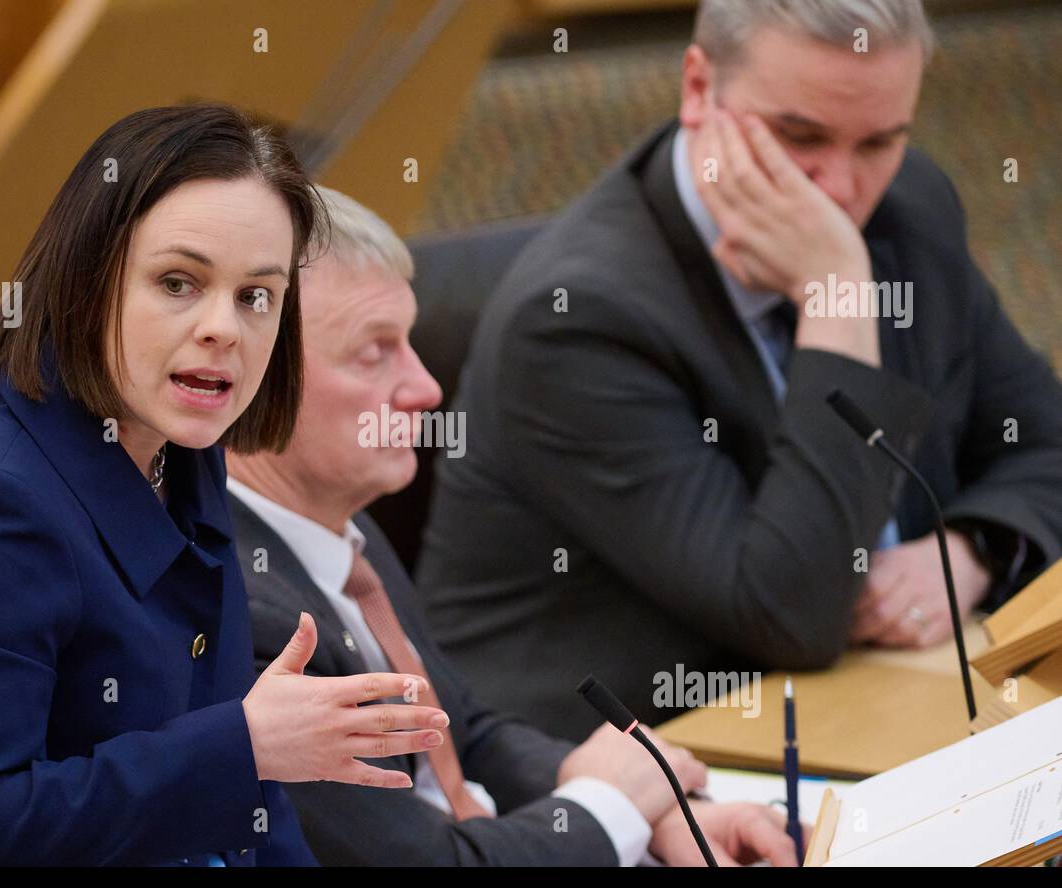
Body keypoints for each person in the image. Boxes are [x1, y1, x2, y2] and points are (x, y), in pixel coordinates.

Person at [416, 0, 1062, 737]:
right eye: (799, 135)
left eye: (879, 142)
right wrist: (838, 301)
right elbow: (792, 613)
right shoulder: (576, 323)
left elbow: (1044, 442)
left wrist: (969, 551)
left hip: (878, 702)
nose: (841, 192)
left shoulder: (910, 208)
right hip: (645, 761)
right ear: (698, 89)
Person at [0, 104, 449, 866]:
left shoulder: (181, 450)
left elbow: (252, 813)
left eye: (256, 296)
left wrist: (247, 753)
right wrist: (244, 746)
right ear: (87, 280)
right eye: (177, 282)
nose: (224, 328)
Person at [226, 186, 800, 866]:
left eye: (408, 342)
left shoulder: (335, 529)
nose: (425, 388)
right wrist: (605, 808)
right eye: (373, 352)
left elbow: (465, 735)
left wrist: (662, 813)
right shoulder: (247, 616)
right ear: (253, 378)